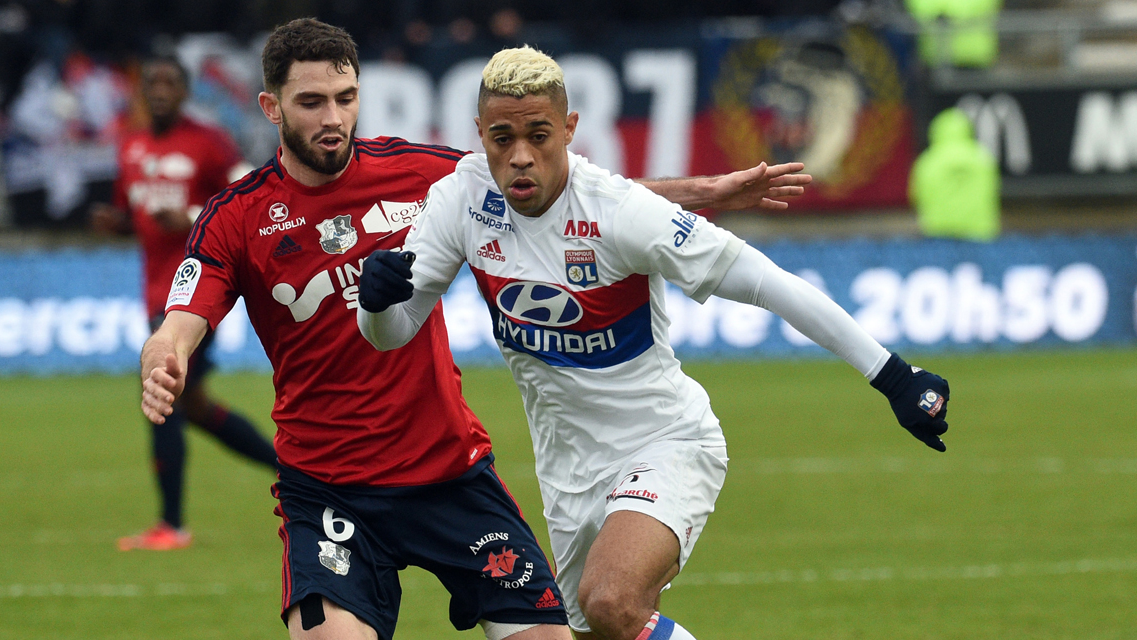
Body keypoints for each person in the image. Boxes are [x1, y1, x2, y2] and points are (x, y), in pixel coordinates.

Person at [140, 18, 810, 640]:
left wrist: (710, 191)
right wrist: (165, 356)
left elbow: (571, 191)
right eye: (312, 102)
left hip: (449, 475)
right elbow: (182, 319)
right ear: (271, 107)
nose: (334, 117)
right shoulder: (238, 216)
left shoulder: (423, 174)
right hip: (329, 489)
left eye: (346, 98)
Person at [356, 46, 952, 640]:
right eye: (502, 138)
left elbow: (769, 283)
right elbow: (394, 332)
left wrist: (894, 377)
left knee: (612, 600)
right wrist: (376, 303)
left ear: (569, 129)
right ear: (479, 134)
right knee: (592, 626)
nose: (520, 157)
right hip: (566, 479)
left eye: (539, 135)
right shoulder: (463, 199)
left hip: (665, 443)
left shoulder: (621, 213)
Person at [91, 56, 277, 551]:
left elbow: (250, 199)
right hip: (154, 289)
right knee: (193, 406)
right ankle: (294, 470)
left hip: (199, 292)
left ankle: (171, 526)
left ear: (185, 90)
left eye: (169, 82)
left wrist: (193, 214)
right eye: (151, 82)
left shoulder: (209, 142)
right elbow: (138, 214)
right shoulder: (130, 145)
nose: (158, 90)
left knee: (161, 391)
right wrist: (118, 222)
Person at [909, 107, 1000, 241]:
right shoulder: (983, 157)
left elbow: (915, 195)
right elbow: (994, 191)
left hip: (938, 230)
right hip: (979, 232)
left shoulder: (928, 160)